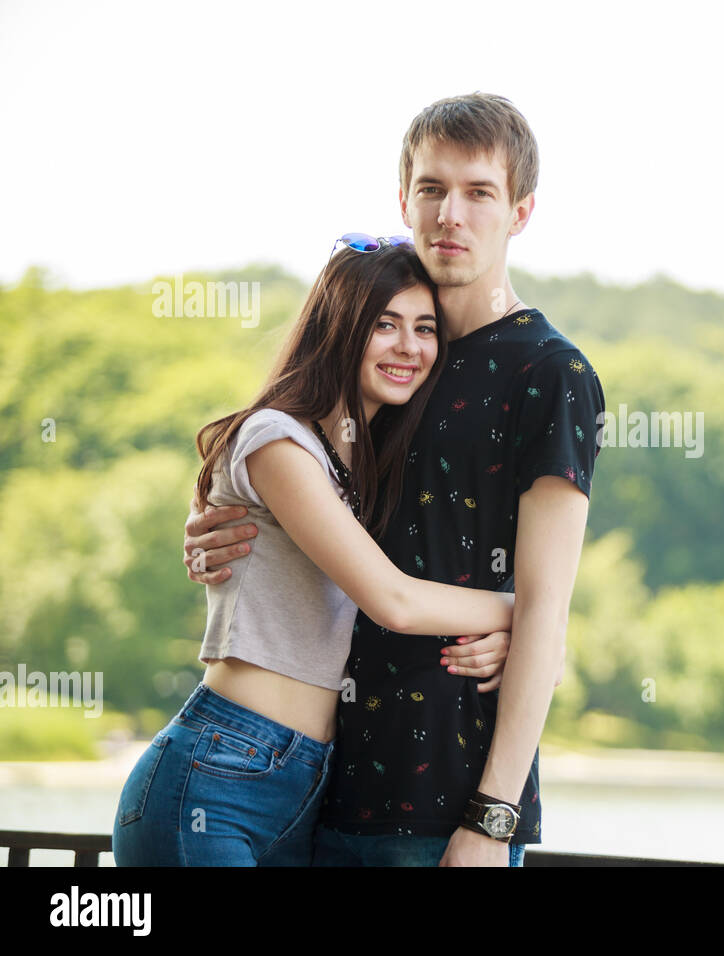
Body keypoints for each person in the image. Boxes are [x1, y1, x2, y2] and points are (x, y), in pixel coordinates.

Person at [183, 92, 605, 867]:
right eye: (432, 189)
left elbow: (550, 599)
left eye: (480, 192)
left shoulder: (550, 374)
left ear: (520, 212)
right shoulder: (389, 362)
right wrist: (207, 519)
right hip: (316, 790)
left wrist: (493, 819)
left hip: (446, 803)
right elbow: (278, 460)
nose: (452, 213)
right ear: (403, 200)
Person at [113, 238, 517, 866]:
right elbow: (394, 601)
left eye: (425, 327)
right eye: (384, 324)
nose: (408, 346)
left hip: (308, 784)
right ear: (340, 328)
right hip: (219, 772)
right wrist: (530, 616)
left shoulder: (363, 462)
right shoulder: (276, 438)